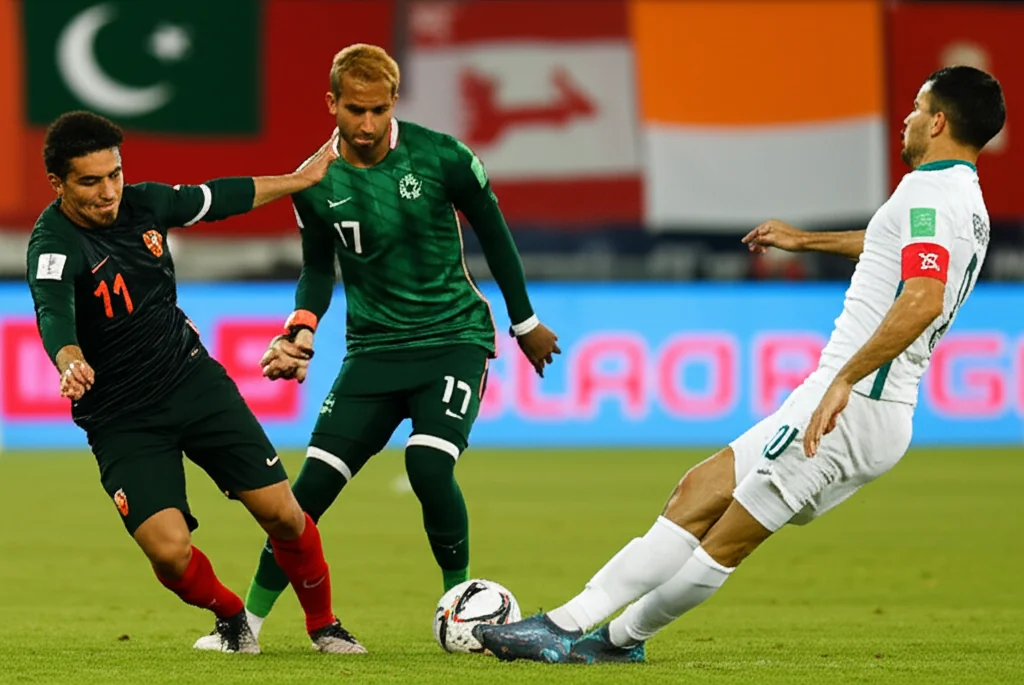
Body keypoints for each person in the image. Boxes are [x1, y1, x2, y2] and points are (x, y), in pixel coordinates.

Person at [474, 65, 1005, 664]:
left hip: (854, 405)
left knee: (725, 539)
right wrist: (805, 241)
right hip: (859, 402)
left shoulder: (929, 193)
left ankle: (613, 641)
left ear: (937, 121)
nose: (906, 118)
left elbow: (922, 297)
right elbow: (893, 243)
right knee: (698, 490)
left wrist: (846, 381)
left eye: (916, 106)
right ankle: (573, 625)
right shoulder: (961, 199)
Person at [225, 44, 560, 642]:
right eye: (355, 109)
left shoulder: (443, 157)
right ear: (331, 104)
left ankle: (463, 614)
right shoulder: (314, 181)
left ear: (394, 102)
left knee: (429, 466)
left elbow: (494, 232)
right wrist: (302, 328)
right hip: (373, 351)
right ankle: (245, 626)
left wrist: (524, 321)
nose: (369, 124)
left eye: (380, 109)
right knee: (303, 495)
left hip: (452, 337)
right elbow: (317, 269)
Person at [26, 110, 365, 655]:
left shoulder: (147, 203)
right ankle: (233, 619)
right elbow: (51, 312)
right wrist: (68, 359)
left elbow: (220, 196)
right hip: (121, 417)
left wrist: (298, 180)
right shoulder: (53, 243)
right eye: (90, 181)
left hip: (191, 382)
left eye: (113, 173)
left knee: (283, 513)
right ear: (58, 184)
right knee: (168, 551)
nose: (108, 190)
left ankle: (324, 624)